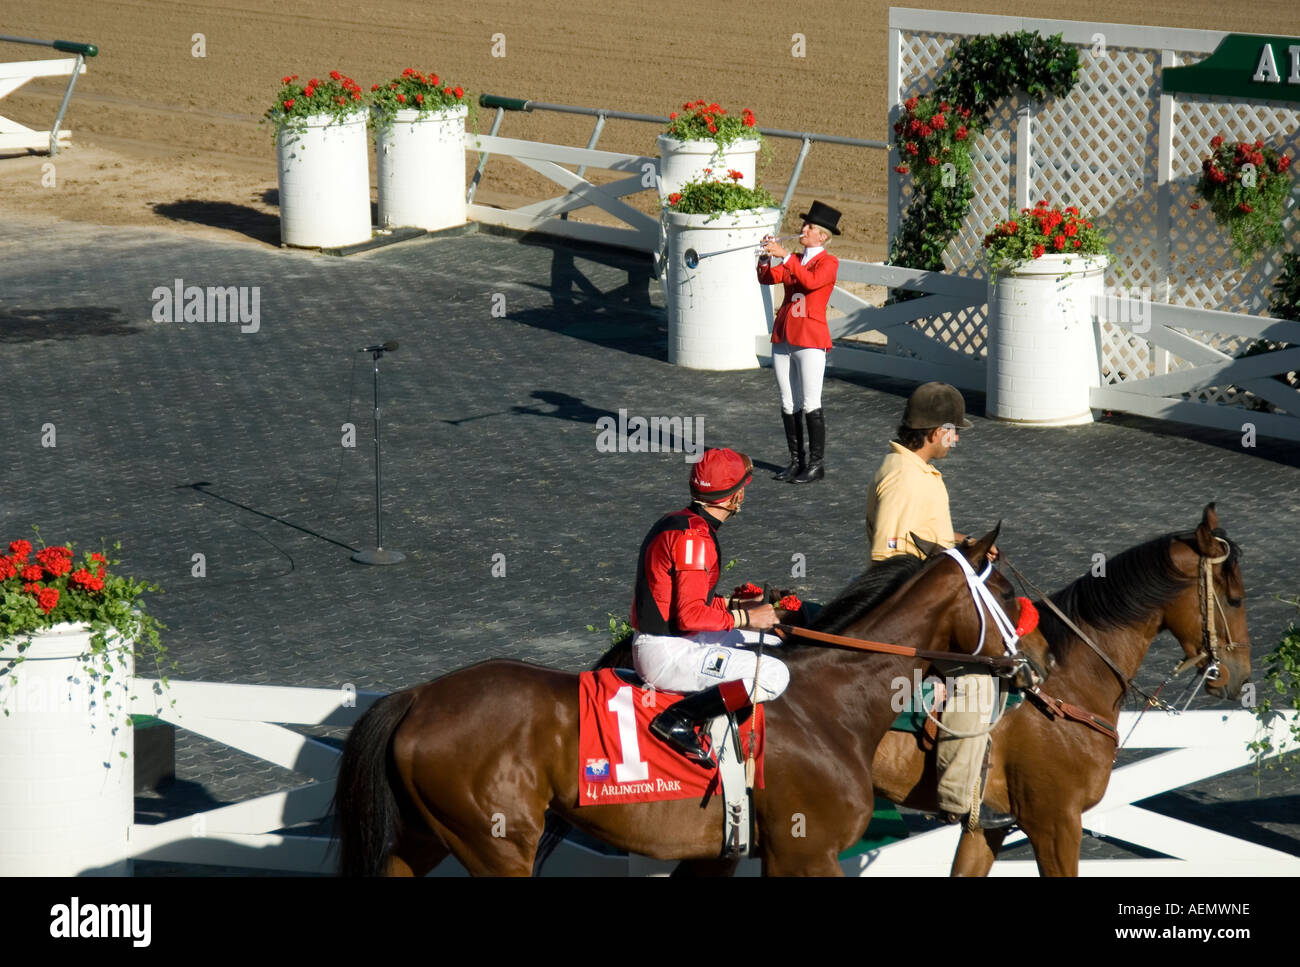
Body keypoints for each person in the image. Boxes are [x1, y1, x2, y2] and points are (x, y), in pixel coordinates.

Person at [864, 382, 1012, 830]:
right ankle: (958, 795)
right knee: (976, 677)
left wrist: (962, 547)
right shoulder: (905, 479)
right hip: (912, 611)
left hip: (927, 597)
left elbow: (922, 540)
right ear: (933, 431)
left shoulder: (916, 469)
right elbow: (890, 559)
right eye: (954, 431)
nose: (958, 439)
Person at [630, 447, 789, 769]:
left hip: (675, 639)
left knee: (773, 644)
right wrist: (747, 617)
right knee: (775, 673)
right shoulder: (694, 539)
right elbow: (689, 616)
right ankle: (680, 718)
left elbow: (684, 604)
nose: (743, 494)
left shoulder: (680, 520)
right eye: (742, 488)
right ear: (733, 497)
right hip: (667, 652)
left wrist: (733, 605)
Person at [757, 201, 841, 484]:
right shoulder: (795, 258)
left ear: (822, 237)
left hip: (810, 338)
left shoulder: (828, 262)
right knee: (787, 402)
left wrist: (786, 257)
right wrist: (766, 256)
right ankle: (797, 461)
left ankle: (817, 465)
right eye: (805, 225)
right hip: (784, 335)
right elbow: (768, 277)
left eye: (810, 227)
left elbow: (811, 282)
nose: (803, 229)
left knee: (810, 402)